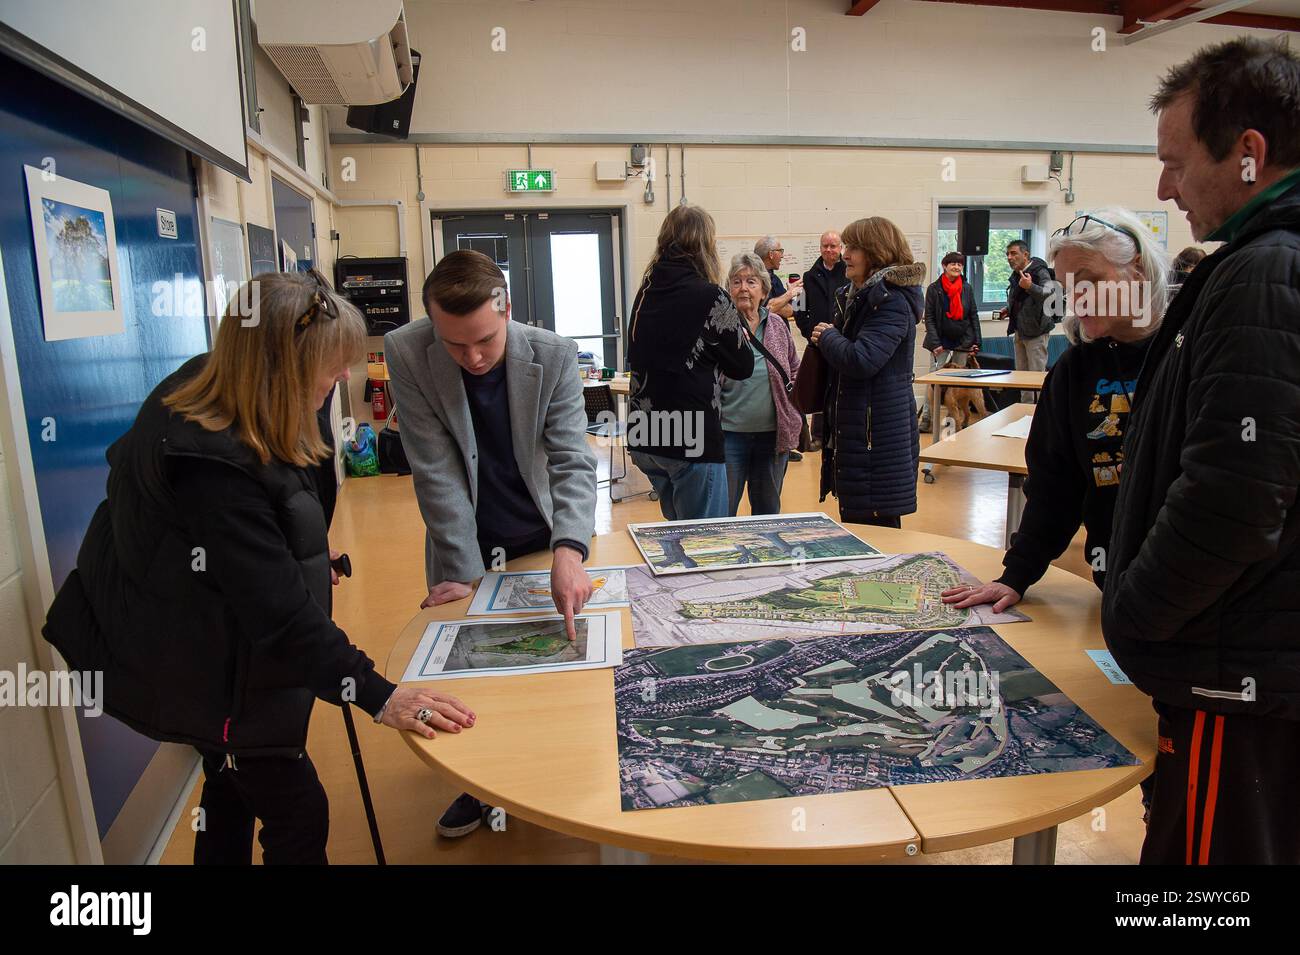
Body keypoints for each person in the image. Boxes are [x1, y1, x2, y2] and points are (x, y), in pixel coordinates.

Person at [41, 271, 474, 864]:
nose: (341, 379)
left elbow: (273, 532)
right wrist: (380, 697)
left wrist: (307, 561)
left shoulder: (231, 393)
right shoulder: (211, 464)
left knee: (230, 788)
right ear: (281, 367)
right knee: (297, 811)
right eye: (329, 366)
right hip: (196, 658)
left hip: (219, 645)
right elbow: (277, 616)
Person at [1104, 35, 1300, 865]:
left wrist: (1132, 617)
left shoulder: (1265, 273)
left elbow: (1234, 497)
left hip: (1237, 677)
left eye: (1176, 162)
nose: (1164, 186)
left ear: (1249, 155)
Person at [385, 249, 597, 837]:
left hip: (543, 532)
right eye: (455, 346)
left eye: (484, 340)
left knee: (558, 655)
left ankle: (560, 771)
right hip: (465, 539)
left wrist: (570, 550)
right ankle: (480, 788)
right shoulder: (405, 350)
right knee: (475, 663)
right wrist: (468, 578)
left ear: (506, 312)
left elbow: (572, 462)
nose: (472, 358)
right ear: (431, 325)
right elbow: (436, 471)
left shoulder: (552, 354)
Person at [941, 208, 1170, 614]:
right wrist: (1017, 574)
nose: (1074, 300)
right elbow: (1055, 485)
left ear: (1136, 270)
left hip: (1197, 595)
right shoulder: (1074, 370)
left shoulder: (1187, 355)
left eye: (1089, 282)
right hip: (1118, 588)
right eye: (1067, 287)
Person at [627, 204, 754, 520]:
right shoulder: (711, 296)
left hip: (647, 431)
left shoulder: (645, 292)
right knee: (705, 545)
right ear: (705, 247)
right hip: (691, 435)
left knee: (676, 537)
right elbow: (743, 366)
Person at [810, 217, 924, 528]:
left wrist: (828, 336)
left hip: (878, 442)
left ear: (877, 252)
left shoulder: (891, 302)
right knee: (860, 527)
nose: (844, 254)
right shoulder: (860, 297)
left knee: (877, 535)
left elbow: (862, 360)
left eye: (854, 248)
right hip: (862, 437)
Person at [720, 252, 802, 516]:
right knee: (724, 511)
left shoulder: (777, 325)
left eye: (751, 281)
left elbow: (794, 368)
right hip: (728, 436)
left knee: (767, 513)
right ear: (729, 289)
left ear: (764, 290)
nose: (743, 288)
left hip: (772, 436)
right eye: (736, 281)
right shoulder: (720, 327)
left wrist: (794, 409)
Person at [754, 235, 805, 460]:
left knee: (788, 383)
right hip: (763, 344)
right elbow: (766, 307)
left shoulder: (773, 278)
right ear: (771, 254)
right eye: (780, 251)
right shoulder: (759, 276)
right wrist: (789, 295)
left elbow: (784, 310)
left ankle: (788, 440)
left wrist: (785, 303)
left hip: (781, 340)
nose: (782, 255)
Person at [795, 231, 847, 451]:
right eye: (825, 246)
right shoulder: (808, 276)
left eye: (833, 246)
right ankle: (818, 436)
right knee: (819, 387)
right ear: (820, 248)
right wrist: (809, 332)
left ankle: (838, 433)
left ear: (840, 248)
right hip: (817, 344)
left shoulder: (849, 274)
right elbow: (799, 309)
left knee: (840, 388)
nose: (829, 250)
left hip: (842, 342)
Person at [919, 252, 982, 430]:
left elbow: (973, 316)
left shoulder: (967, 288)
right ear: (944, 266)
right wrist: (935, 342)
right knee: (934, 383)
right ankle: (927, 419)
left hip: (963, 340)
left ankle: (951, 420)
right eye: (953, 264)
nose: (956, 267)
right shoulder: (934, 288)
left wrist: (977, 341)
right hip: (940, 341)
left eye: (960, 265)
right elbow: (929, 317)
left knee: (957, 383)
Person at [998, 239, 1056, 402]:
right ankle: (1025, 412)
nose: (1009, 257)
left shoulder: (1039, 271)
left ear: (1025, 254)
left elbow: (1050, 293)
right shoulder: (1016, 275)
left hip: (1037, 331)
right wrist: (1008, 310)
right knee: (1022, 377)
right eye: (1007, 254)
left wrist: (1030, 286)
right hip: (1019, 330)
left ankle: (1039, 413)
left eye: (1014, 253)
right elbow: (1019, 299)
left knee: (1036, 377)